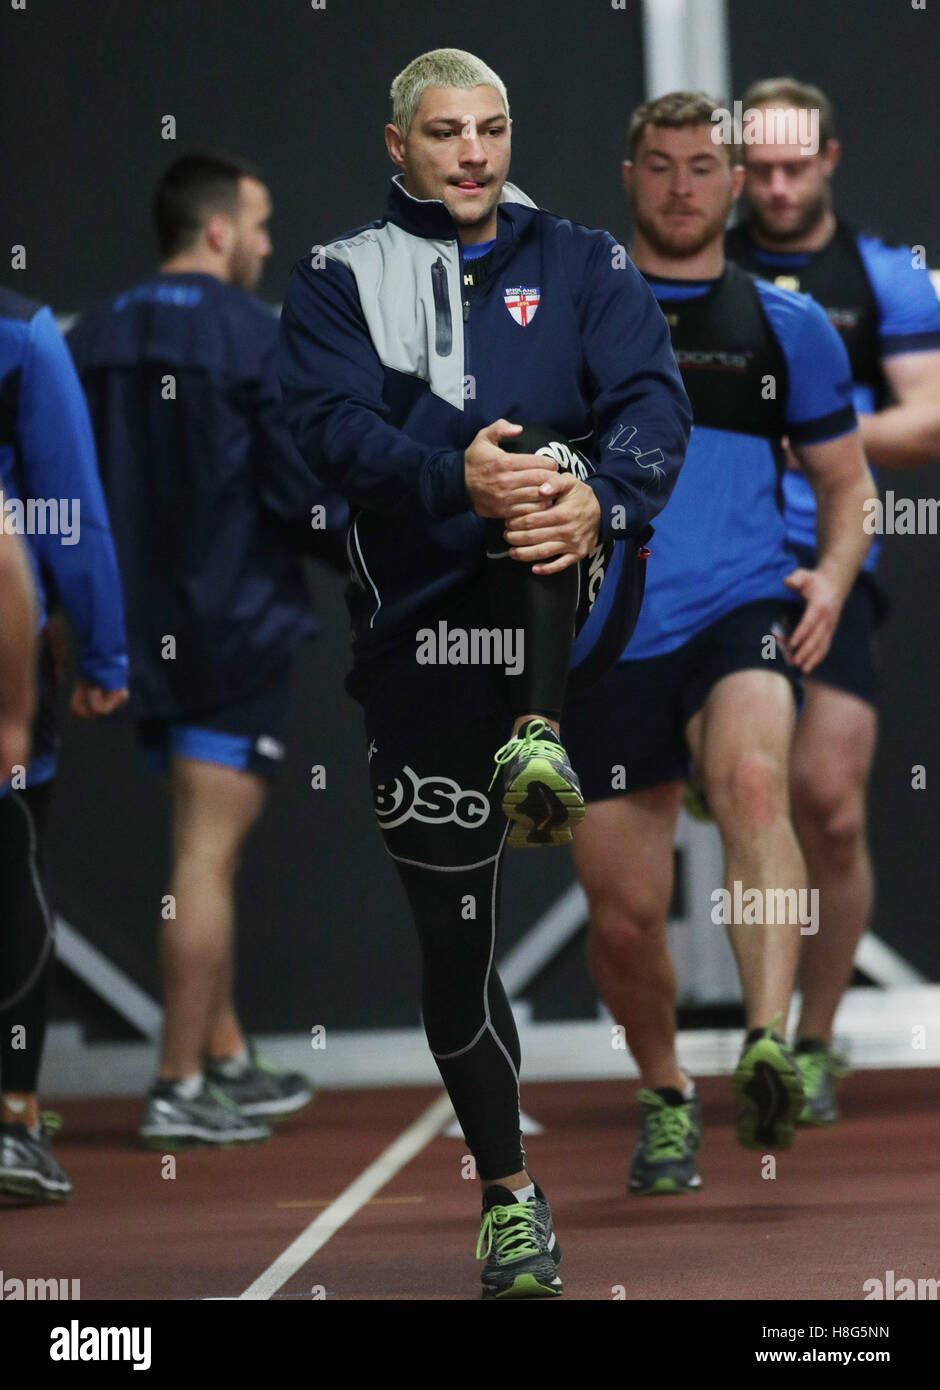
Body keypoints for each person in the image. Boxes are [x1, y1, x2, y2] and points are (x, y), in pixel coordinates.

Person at [279, 48, 691, 1298]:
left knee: (550, 477)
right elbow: (326, 428)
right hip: (415, 636)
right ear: (397, 145)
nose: (473, 152)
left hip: (564, 622)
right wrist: (451, 468)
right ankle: (508, 1194)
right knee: (456, 953)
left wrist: (605, 504)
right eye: (447, 132)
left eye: (494, 128)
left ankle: (538, 737)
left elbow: (653, 404)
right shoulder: (333, 277)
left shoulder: (585, 261)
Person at [562, 92, 875, 1196]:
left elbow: (847, 488)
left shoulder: (786, 328)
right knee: (625, 912)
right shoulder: (577, 318)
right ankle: (662, 1092)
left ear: (734, 183)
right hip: (603, 641)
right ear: (629, 174)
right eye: (661, 165)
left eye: (704, 166)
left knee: (754, 782)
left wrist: (830, 579)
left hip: (739, 608)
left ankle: (765, 1042)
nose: (683, 186)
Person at [68, 152, 348, 1150]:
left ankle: (222, 1053)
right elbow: (300, 489)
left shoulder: (88, 336)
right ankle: (177, 1081)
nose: (270, 245)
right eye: (261, 224)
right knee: (204, 853)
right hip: (234, 628)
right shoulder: (256, 337)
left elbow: (59, 493)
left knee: (198, 843)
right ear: (220, 230)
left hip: (132, 637)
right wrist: (378, 544)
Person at [725, 77, 940, 1123]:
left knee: (832, 813)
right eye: (755, 169)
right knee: (733, 809)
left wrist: (804, 432)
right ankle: (711, 1056)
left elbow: (932, 420)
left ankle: (812, 1039)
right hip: (709, 575)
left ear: (829, 158)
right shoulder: (693, 270)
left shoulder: (888, 277)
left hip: (831, 568)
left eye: (792, 166)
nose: (773, 186)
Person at [0, 284, 129, 1201]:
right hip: (6, 626)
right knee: (11, 864)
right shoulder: (21, 332)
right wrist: (106, 647)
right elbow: (68, 509)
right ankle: (11, 1122)